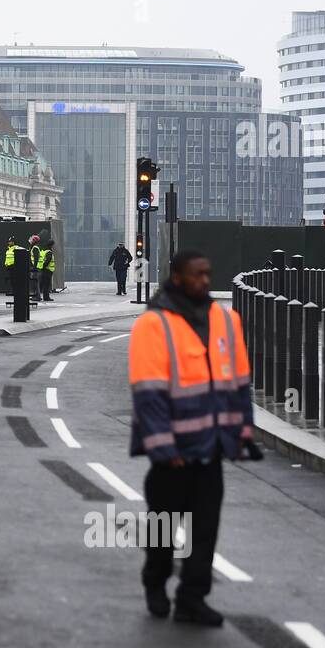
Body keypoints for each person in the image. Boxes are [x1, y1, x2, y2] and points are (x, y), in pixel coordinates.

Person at [129, 250, 256, 627]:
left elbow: (239, 382)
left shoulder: (227, 320)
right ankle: (155, 581)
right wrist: (164, 446)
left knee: (205, 529)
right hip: (172, 452)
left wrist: (242, 432)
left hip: (211, 446)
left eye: (208, 274)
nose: (204, 281)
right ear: (178, 277)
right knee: (164, 528)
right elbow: (148, 392)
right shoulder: (154, 324)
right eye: (196, 275)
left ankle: (192, 597)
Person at [27, 235, 42, 302]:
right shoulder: (33, 247)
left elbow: (36, 259)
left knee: (36, 283)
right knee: (34, 282)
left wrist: (34, 267)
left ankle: (37, 296)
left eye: (32, 240)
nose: (30, 241)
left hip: (36, 268)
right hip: (35, 267)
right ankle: (35, 295)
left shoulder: (35, 248)